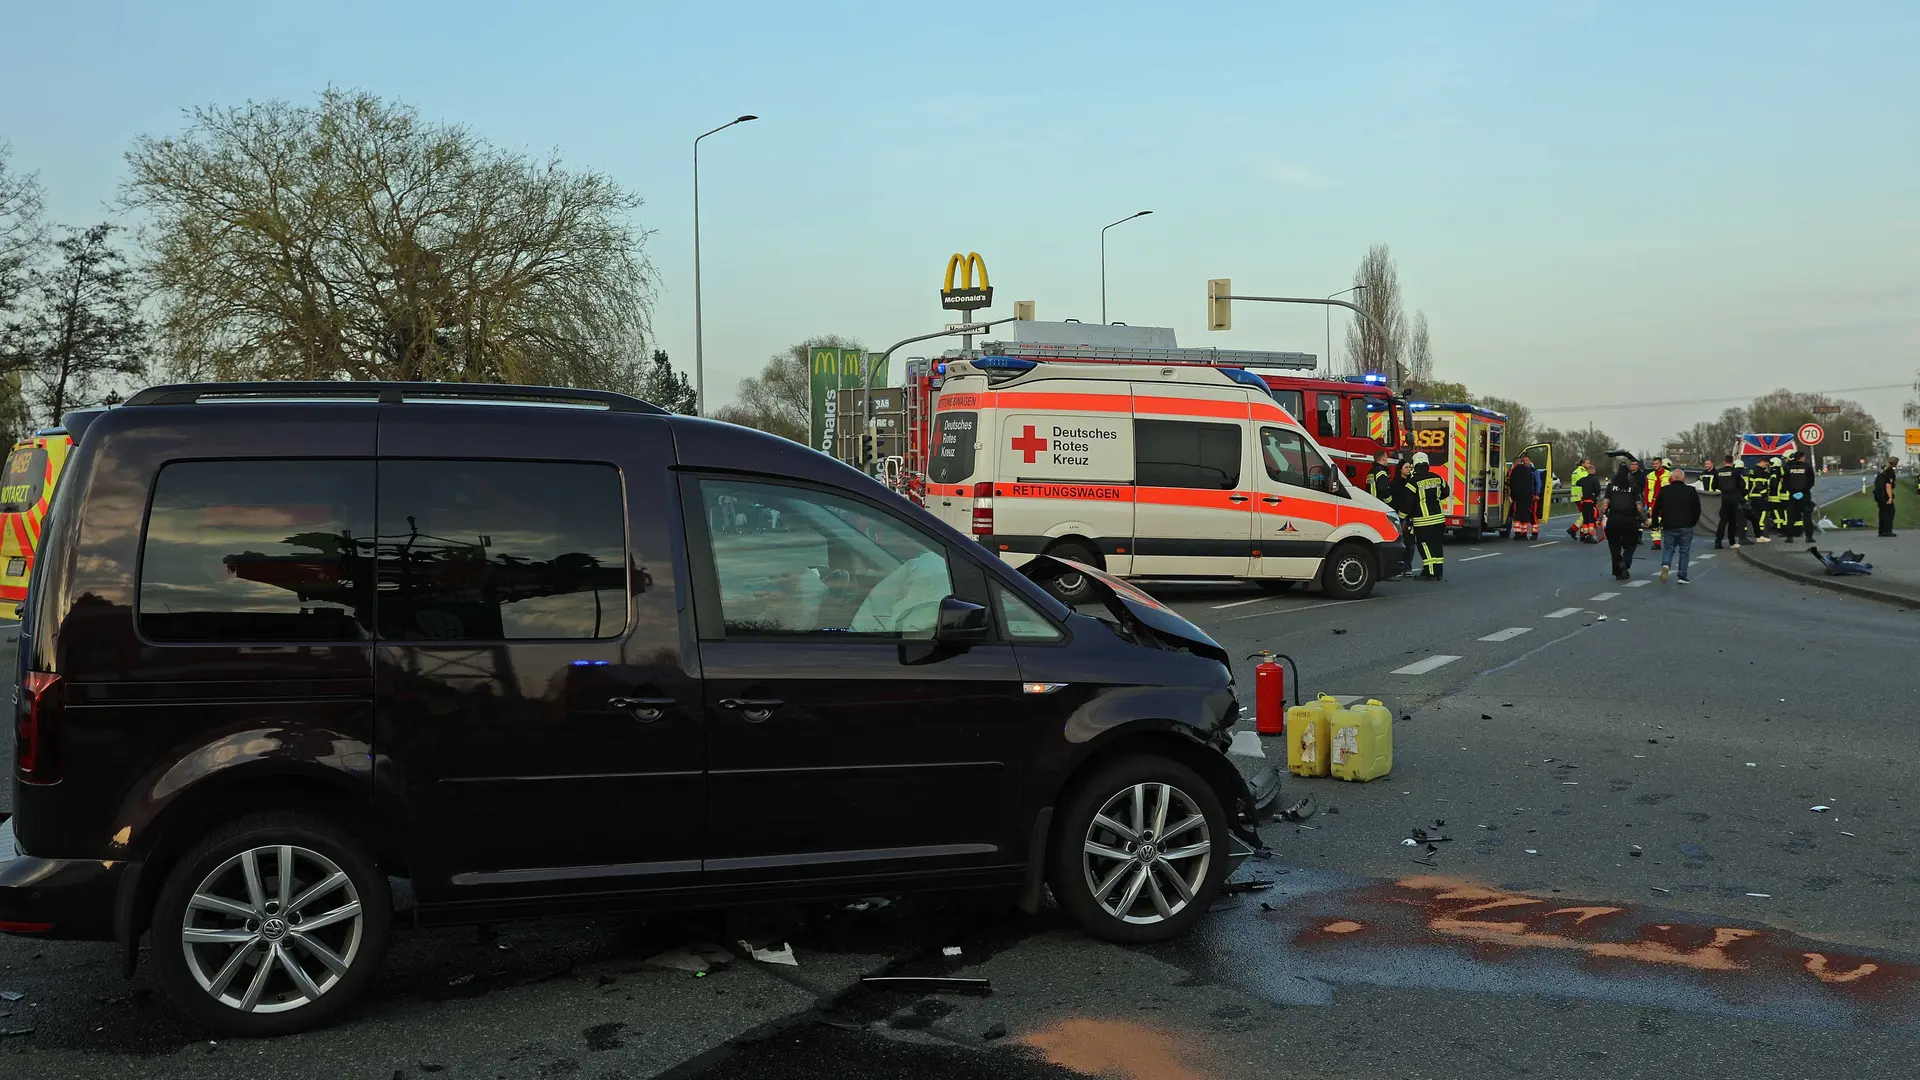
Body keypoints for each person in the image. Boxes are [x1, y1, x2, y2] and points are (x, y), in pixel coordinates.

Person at [1652, 467, 1701, 583]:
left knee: (1668, 548)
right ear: (1684, 478)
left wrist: (1655, 524)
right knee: (1684, 551)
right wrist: (1693, 522)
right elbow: (1697, 509)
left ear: (1671, 478)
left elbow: (1656, 509)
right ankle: (1682, 576)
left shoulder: (1664, 490)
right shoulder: (1691, 491)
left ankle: (1666, 565)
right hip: (1686, 526)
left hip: (1669, 525)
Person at [1408, 451, 1451, 580]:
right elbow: (1446, 492)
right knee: (1437, 544)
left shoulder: (1413, 482)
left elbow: (1408, 501)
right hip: (1438, 518)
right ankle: (1438, 572)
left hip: (1423, 520)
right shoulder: (1438, 478)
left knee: (1424, 544)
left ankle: (1430, 572)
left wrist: (1402, 515)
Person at [1603, 463, 1645, 580]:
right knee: (1631, 544)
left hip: (1613, 520)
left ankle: (1618, 571)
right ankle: (1625, 562)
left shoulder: (1611, 487)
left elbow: (1605, 504)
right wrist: (1644, 519)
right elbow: (1638, 506)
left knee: (1614, 547)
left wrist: (1599, 517)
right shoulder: (1633, 487)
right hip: (1629, 521)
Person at [1710, 454, 1745, 548]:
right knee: (1733, 522)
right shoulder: (1736, 472)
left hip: (1724, 499)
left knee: (1723, 521)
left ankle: (1718, 542)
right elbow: (1742, 485)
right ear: (1732, 462)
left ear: (1724, 461)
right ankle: (1732, 542)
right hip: (1734, 498)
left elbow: (1713, 486)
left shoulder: (1718, 472)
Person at [1780, 447, 1816, 541]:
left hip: (1792, 495)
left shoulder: (1787, 468)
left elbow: (1785, 482)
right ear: (1802, 458)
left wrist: (1792, 491)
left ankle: (1789, 537)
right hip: (1804, 495)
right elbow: (1811, 481)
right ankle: (1809, 537)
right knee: (1807, 515)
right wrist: (1803, 491)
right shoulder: (1807, 467)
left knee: (1790, 516)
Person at [1507, 453, 1540, 540]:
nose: (1525, 462)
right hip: (1528, 496)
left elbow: (1512, 484)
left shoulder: (1516, 471)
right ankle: (1524, 534)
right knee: (1526, 515)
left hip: (1521, 496)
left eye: (1526, 460)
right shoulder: (1528, 471)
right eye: (1524, 461)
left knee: (1520, 515)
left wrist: (1512, 497)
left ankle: (1520, 534)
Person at [1644, 458, 1671, 550]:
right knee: (1654, 523)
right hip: (1654, 502)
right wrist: (1646, 503)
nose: (1654, 465)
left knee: (1668, 522)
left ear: (1661, 464)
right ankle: (1656, 542)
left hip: (1666, 502)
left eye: (1656, 464)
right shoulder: (1650, 475)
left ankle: (1670, 542)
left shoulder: (1669, 475)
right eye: (1653, 464)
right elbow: (1647, 490)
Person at [1744, 459, 1773, 542]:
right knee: (1762, 513)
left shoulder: (1759, 471)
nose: (1767, 465)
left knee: (1758, 514)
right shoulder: (1757, 471)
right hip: (1759, 496)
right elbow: (1757, 484)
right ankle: (1760, 534)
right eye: (1766, 464)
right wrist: (1764, 493)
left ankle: (1759, 534)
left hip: (1755, 496)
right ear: (1762, 462)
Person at [1575, 460, 1603, 543]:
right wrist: (1595, 496)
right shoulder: (1595, 479)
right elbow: (1598, 489)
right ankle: (1590, 536)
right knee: (1591, 519)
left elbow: (1577, 483)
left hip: (1584, 502)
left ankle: (1585, 535)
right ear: (1594, 471)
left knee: (1585, 519)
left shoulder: (1584, 479)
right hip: (1591, 502)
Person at [1765, 456, 1789, 539]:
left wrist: (1768, 486)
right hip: (1783, 496)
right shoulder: (1782, 470)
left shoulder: (1774, 472)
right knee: (1783, 513)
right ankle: (1785, 529)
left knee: (1776, 513)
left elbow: (1773, 484)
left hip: (1774, 496)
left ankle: (1779, 529)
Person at [1875, 457, 1899, 537]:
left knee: (1882, 512)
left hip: (1878, 493)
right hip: (1884, 494)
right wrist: (1890, 498)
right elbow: (1888, 485)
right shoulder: (1889, 472)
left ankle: (1881, 531)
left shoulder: (1882, 469)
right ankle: (1887, 531)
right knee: (1889, 511)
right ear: (1894, 464)